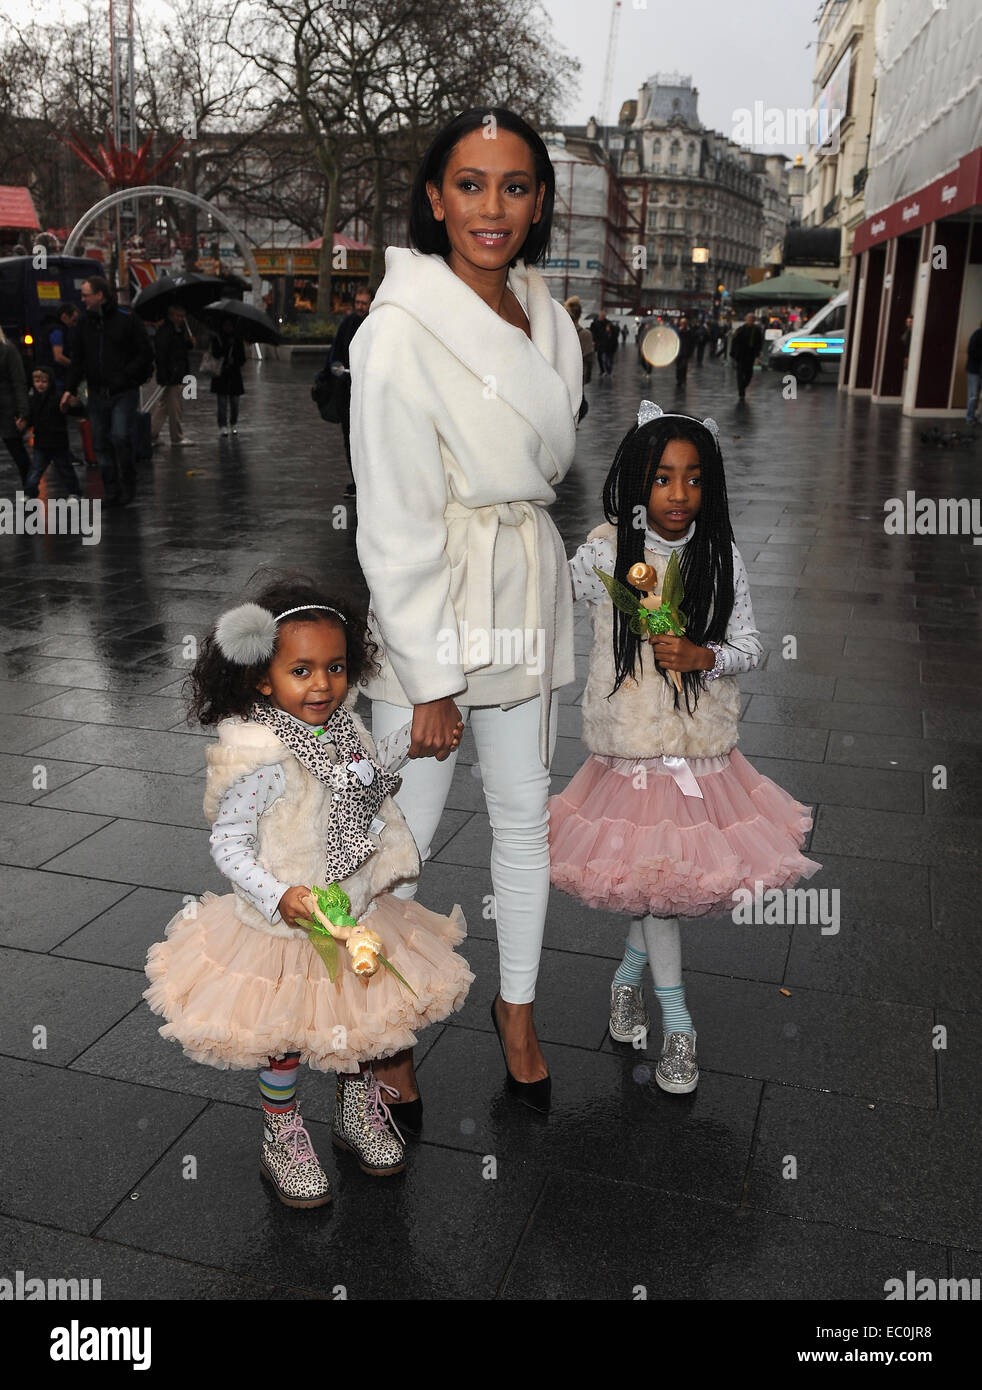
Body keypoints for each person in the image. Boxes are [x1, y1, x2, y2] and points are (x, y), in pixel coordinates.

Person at [349, 107, 583, 1112]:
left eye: (516, 185)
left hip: (522, 585)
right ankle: (380, 1022)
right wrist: (432, 676)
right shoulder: (398, 328)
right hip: (438, 604)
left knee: (527, 821)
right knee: (399, 839)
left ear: (539, 203)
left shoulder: (548, 311)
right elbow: (393, 517)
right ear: (436, 197)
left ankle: (517, 1006)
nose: (495, 207)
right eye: (473, 184)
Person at [143, 575, 473, 1206]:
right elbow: (229, 847)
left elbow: (369, 774)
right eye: (301, 670)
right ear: (263, 679)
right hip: (284, 928)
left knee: (357, 1018)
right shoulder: (258, 754)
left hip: (354, 908)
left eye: (335, 667)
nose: (322, 684)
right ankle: (283, 1131)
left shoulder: (344, 729)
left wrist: (415, 743)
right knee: (285, 1034)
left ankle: (356, 1109)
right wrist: (278, 895)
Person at [550, 403, 821, 1091]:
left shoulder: (719, 554)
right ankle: (680, 1028)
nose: (678, 494)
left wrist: (705, 655)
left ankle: (625, 985)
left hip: (700, 755)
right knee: (659, 894)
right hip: (631, 759)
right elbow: (548, 584)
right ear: (638, 483)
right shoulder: (606, 550)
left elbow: (753, 647)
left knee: (658, 892)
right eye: (663, 478)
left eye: (693, 479)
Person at [62, 275, 153, 506]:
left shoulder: (126, 318)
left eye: (86, 295)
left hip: (123, 390)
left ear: (99, 295)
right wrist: (69, 389)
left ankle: (128, 481)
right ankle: (111, 490)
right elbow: (78, 359)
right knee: (100, 443)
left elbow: (144, 352)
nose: (82, 299)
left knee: (120, 436)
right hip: (96, 391)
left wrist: (126, 375)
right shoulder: (84, 323)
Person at [328, 286, 371, 496]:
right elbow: (335, 353)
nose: (360, 307)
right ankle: (357, 479)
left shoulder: (376, 323)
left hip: (370, 394)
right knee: (350, 438)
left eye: (364, 303)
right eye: (358, 302)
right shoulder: (348, 324)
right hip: (347, 391)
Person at [16, 364, 81, 499]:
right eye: (37, 381)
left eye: (44, 381)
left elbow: (71, 410)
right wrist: (25, 423)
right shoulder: (35, 400)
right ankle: (29, 492)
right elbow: (32, 418)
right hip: (44, 442)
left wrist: (71, 406)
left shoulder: (56, 398)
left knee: (63, 469)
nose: (40, 385)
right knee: (37, 470)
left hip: (56, 442)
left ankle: (75, 493)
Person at [150, 304, 195, 446]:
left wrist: (189, 343)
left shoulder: (177, 331)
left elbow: (180, 349)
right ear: (171, 316)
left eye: (182, 316)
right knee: (175, 407)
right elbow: (163, 355)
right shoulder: (167, 332)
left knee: (163, 406)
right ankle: (177, 437)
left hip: (175, 373)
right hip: (172, 374)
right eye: (178, 316)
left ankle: (150, 434)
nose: (181, 319)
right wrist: (166, 375)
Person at [0, 326, 30, 487]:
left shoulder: (8, 350)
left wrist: (23, 413)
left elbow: (19, 382)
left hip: (7, 408)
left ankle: (29, 487)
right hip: (6, 406)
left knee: (17, 450)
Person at [208, 317, 247, 438]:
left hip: (234, 375)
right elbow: (215, 354)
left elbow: (242, 359)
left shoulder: (237, 340)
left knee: (235, 402)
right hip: (221, 374)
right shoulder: (217, 339)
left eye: (230, 325)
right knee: (222, 402)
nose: (228, 328)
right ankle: (222, 425)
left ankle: (233, 423)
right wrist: (225, 352)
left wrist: (234, 360)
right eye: (226, 325)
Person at [730, 312, 763, 401]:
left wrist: (757, 355)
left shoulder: (757, 331)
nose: (750, 321)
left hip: (750, 355)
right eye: (749, 319)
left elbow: (759, 344)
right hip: (741, 355)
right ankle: (741, 390)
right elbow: (734, 342)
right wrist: (733, 354)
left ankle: (743, 386)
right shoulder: (740, 330)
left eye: (752, 319)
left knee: (749, 374)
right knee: (740, 373)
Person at [564, 294, 595, 387]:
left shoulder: (559, 332)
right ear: (580, 314)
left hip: (560, 377)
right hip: (578, 378)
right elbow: (589, 359)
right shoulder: (586, 334)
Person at [966, 318, 982, 424]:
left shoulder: (976, 334)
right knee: (973, 395)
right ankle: (970, 417)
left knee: (974, 395)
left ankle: (974, 416)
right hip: (975, 370)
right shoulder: (977, 335)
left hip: (976, 369)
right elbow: (971, 350)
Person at [592, 309, 614, 376]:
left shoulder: (608, 323)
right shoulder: (594, 323)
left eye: (603, 316)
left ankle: (607, 371)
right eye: (600, 316)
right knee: (599, 358)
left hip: (607, 344)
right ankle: (602, 370)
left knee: (606, 359)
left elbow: (613, 332)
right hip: (599, 343)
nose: (601, 317)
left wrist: (608, 331)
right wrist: (593, 340)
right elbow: (593, 332)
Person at [674, 315, 694, 386]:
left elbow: (692, 342)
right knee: (678, 367)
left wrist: (691, 352)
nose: (683, 324)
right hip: (678, 352)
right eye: (682, 322)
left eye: (684, 322)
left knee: (684, 366)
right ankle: (679, 379)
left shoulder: (689, 332)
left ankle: (683, 379)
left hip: (685, 352)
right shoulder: (677, 331)